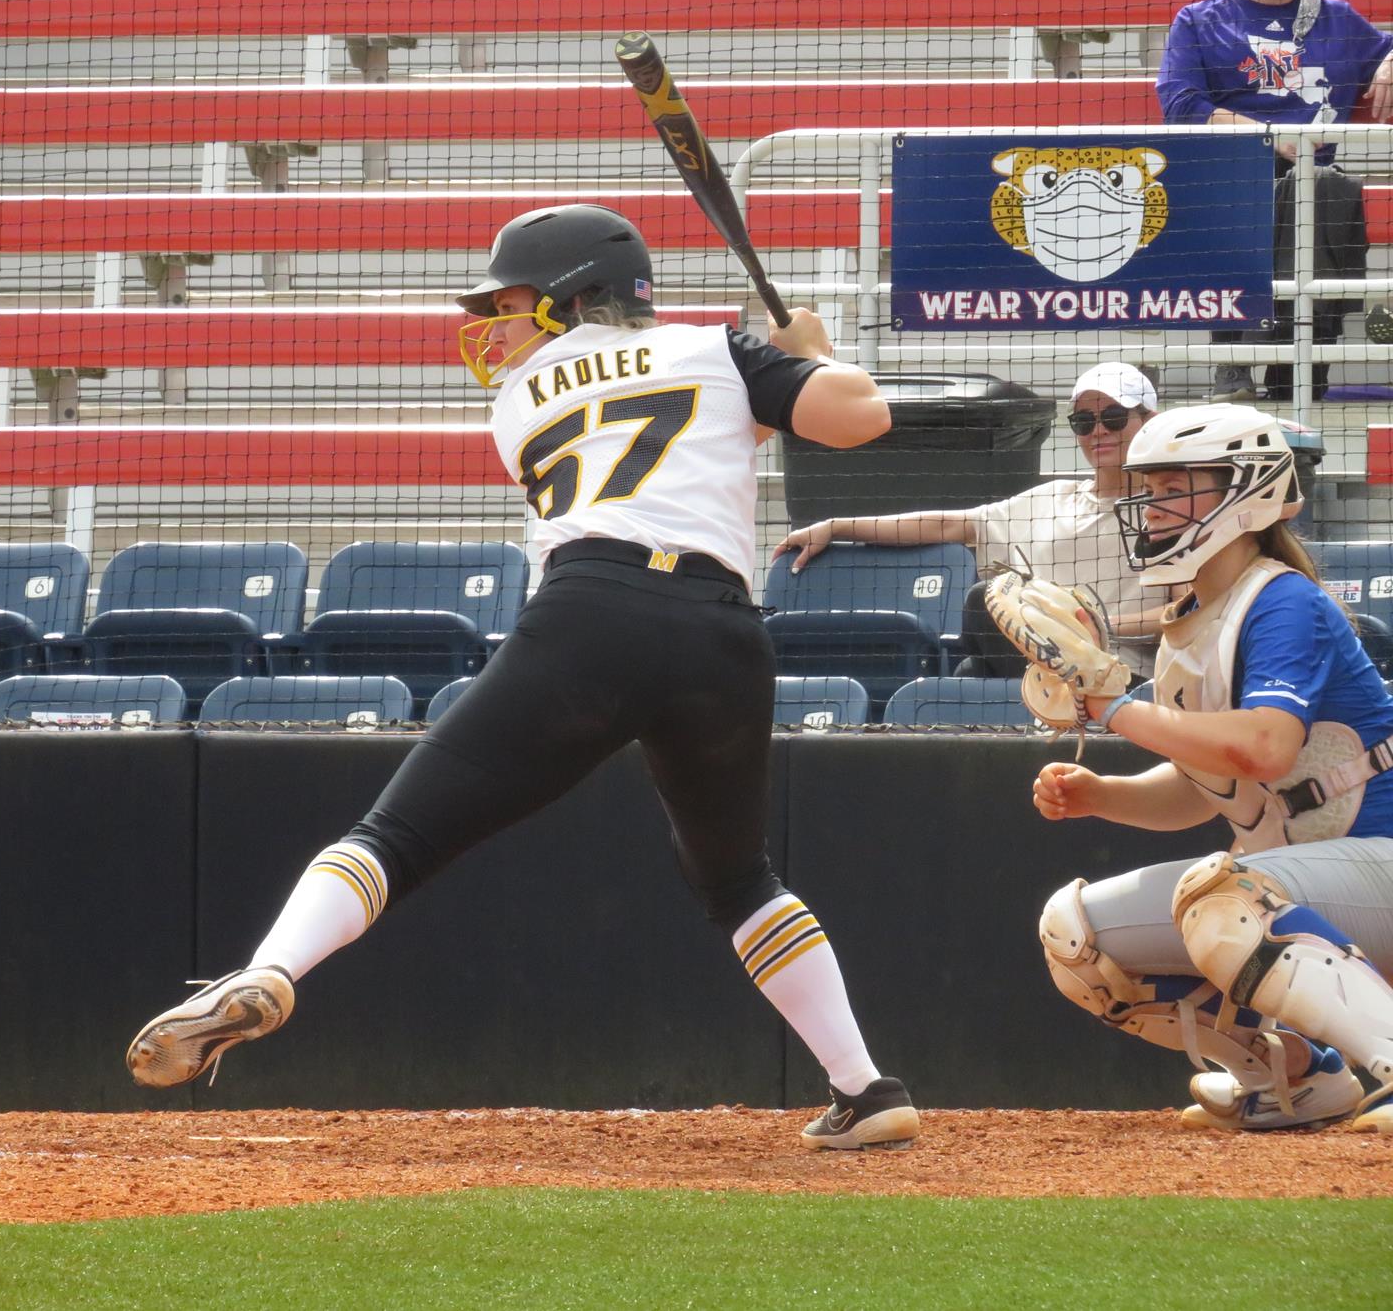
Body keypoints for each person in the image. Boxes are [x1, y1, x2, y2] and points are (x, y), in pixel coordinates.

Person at [124, 203, 922, 1150]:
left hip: (590, 614)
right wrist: (815, 354)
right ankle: (867, 1089)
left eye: (509, 301)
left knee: (397, 833)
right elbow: (859, 418)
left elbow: (641, 438)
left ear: (567, 295)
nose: (494, 325)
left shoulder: (519, 399)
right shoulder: (716, 347)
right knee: (738, 876)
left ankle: (268, 972)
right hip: (720, 635)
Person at [1031, 403, 1392, 1133]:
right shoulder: (1192, 619)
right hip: (1303, 880)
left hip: (1379, 865)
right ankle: (1296, 1076)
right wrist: (1104, 795)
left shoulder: (1283, 599)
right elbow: (1211, 791)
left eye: (1174, 486)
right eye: (1150, 487)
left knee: (1223, 893)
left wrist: (1113, 708)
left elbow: (1265, 748)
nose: (1152, 505)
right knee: (1075, 933)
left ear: (1245, 491)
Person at [1156, 0, 1393, 403]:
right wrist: (1269, 135)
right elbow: (1181, 103)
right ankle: (1243, 355)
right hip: (1235, 176)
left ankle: (1292, 360)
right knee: (1258, 180)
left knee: (1326, 186)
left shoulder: (1338, 19)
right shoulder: (1200, 20)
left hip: (1313, 185)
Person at [772, 361, 1164, 675]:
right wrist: (837, 525)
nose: (1098, 431)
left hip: (1119, 674)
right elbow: (947, 524)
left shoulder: (1174, 508)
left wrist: (1093, 626)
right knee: (979, 622)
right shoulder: (1049, 500)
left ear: (1149, 420)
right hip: (1036, 671)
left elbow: (1183, 611)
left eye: (1113, 417)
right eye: (1083, 421)